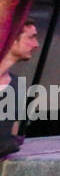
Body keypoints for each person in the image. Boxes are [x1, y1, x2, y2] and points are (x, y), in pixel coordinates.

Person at [0, 20, 38, 157]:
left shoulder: (16, 85)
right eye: (31, 37)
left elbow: (12, 135)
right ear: (12, 39)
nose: (36, 44)